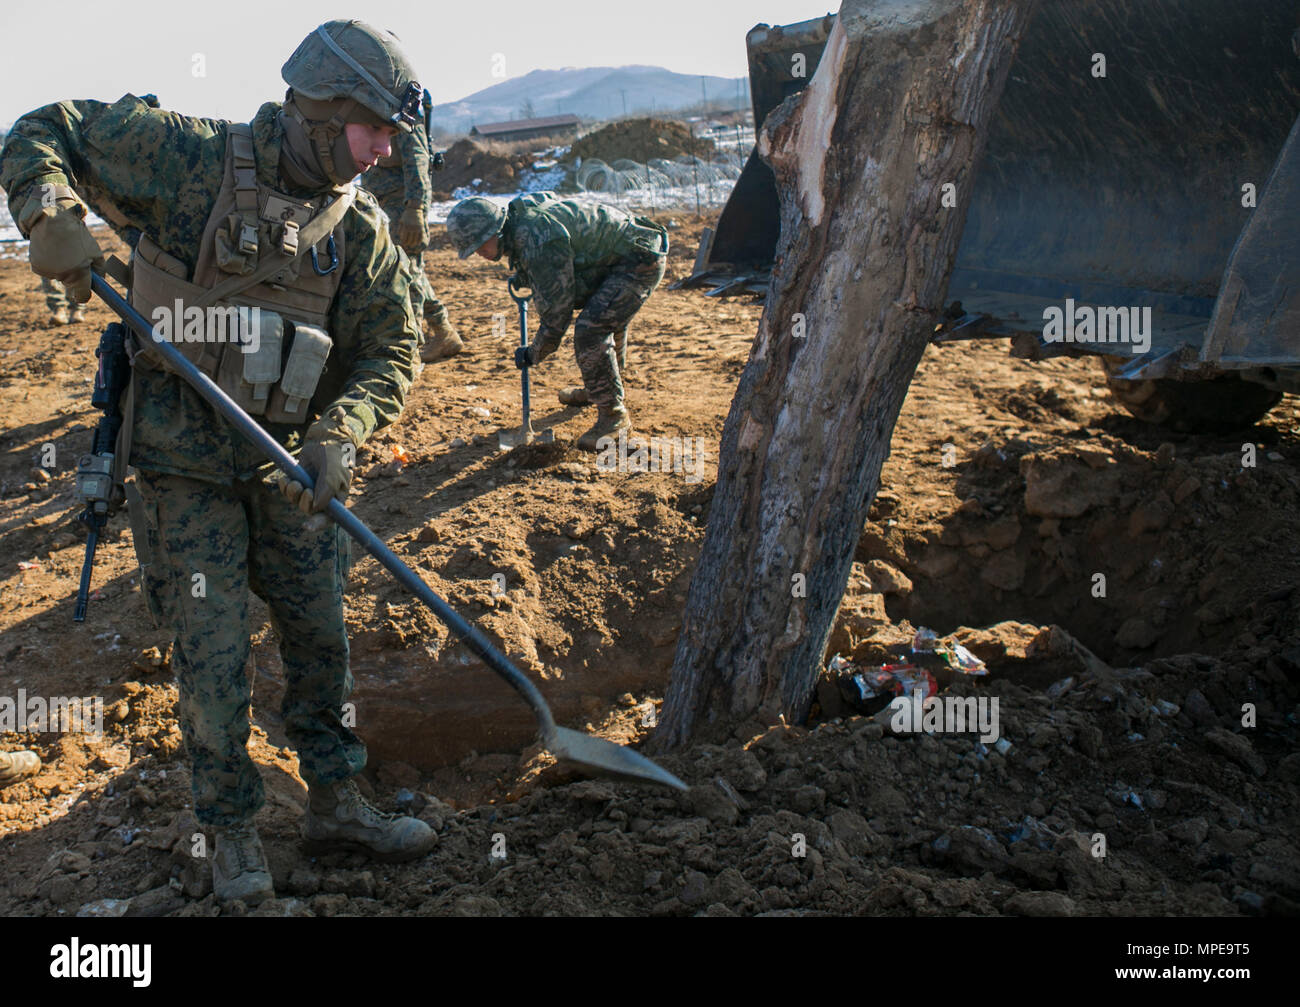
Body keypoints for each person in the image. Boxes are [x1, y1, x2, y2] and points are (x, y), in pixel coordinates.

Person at [0, 18, 435, 906]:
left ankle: (338, 801)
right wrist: (49, 214)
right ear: (324, 113)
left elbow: (395, 345)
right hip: (182, 465)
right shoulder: (184, 156)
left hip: (287, 467)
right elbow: (43, 128)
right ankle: (232, 831)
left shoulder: (357, 228)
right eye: (374, 130)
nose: (385, 152)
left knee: (321, 638)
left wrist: (343, 429)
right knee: (212, 650)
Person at [445, 193, 668, 451]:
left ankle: (613, 416)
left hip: (638, 260)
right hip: (622, 254)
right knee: (603, 316)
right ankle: (599, 387)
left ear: (496, 230)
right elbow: (556, 259)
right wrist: (527, 275)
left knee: (592, 329)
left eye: (481, 244)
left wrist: (533, 353)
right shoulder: (520, 223)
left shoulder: (538, 239)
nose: (480, 253)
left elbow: (556, 318)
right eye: (473, 249)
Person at [358, 119, 462, 362]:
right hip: (385, 205)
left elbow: (418, 161)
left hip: (402, 207)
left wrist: (415, 208)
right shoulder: (378, 113)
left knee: (406, 274)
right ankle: (443, 330)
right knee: (411, 271)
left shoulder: (403, 115)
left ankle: (410, 351)